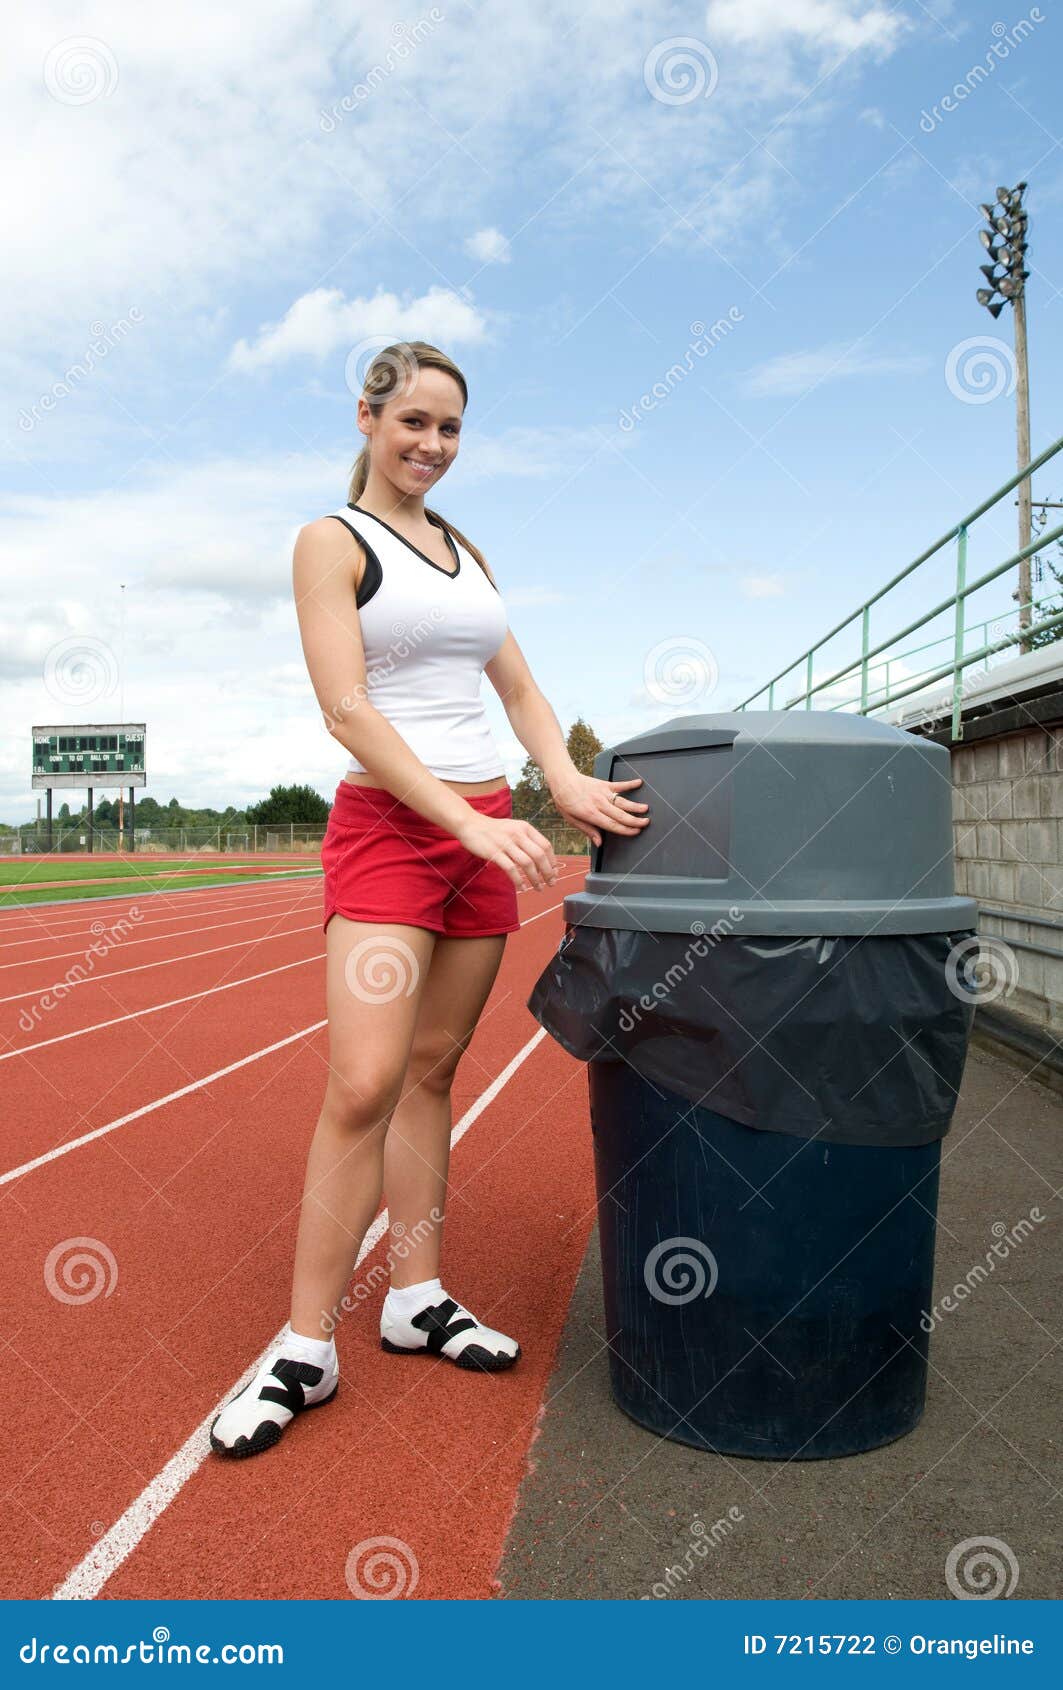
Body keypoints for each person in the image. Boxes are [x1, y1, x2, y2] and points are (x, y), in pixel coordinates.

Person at [210, 340, 650, 1457]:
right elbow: (347, 709)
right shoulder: (330, 541)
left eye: (451, 427)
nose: (433, 444)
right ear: (365, 417)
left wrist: (559, 777)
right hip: (396, 832)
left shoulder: (465, 551)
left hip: (481, 829)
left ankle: (415, 1294)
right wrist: (464, 821)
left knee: (430, 1072)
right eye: (413, 421)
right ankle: (305, 1346)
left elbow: (520, 686)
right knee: (362, 1082)